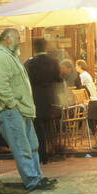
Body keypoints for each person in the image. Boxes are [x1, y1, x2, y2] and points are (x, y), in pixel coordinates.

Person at [0, 28, 55, 192]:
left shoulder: (9, 57)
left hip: (20, 109)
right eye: (17, 38)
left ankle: (36, 177)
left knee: (31, 145)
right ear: (6, 39)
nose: (19, 41)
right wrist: (12, 104)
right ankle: (32, 180)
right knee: (21, 147)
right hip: (10, 110)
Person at [25, 38, 64, 166]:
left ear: (35, 48)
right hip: (50, 98)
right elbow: (58, 79)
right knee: (51, 126)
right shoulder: (53, 62)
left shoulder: (30, 63)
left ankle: (42, 154)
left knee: (38, 127)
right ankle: (53, 151)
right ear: (45, 47)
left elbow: (25, 79)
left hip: (35, 98)